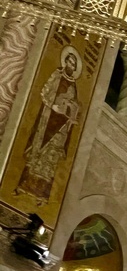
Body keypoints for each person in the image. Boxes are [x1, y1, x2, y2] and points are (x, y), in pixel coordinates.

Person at [17, 47, 81, 201]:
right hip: (47, 120)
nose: (71, 67)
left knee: (50, 159)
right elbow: (44, 91)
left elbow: (74, 105)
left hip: (61, 126)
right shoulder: (57, 75)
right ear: (65, 62)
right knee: (37, 152)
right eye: (69, 63)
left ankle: (41, 194)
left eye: (73, 65)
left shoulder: (73, 85)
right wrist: (52, 105)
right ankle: (22, 186)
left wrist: (71, 111)